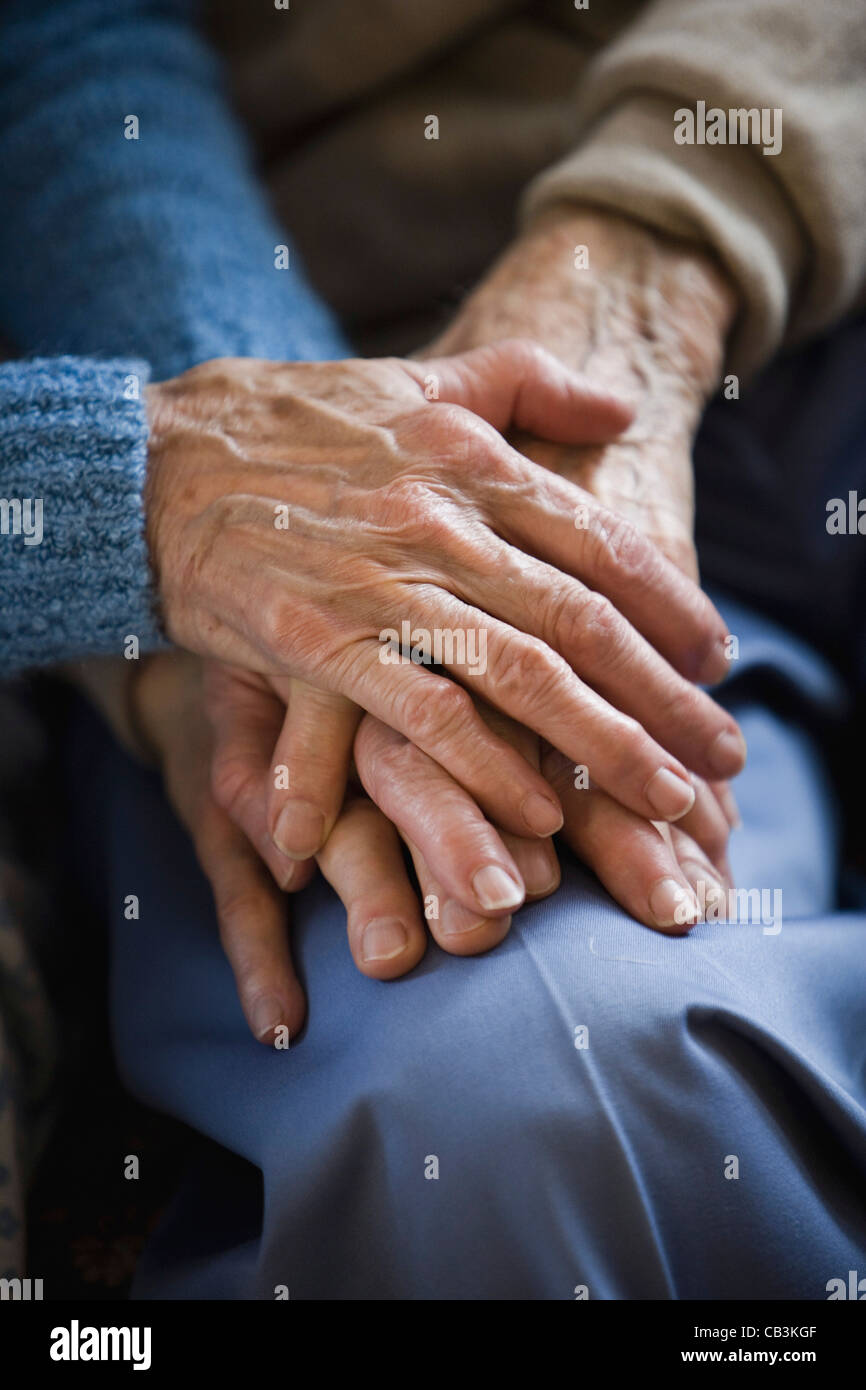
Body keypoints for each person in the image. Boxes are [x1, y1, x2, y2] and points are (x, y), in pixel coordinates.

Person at [0, 0, 864, 1296]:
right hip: (353, 350)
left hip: (775, 283)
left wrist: (652, 240)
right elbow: (61, 49)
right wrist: (254, 502)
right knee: (542, 1087)